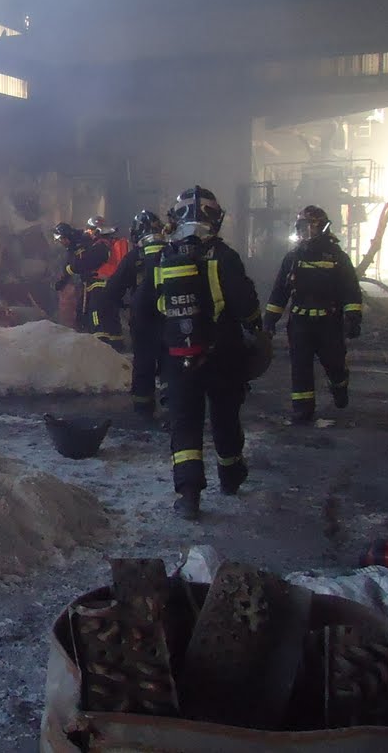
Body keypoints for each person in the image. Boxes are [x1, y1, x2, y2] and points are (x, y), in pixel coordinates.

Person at [137, 186, 264, 520]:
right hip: (223, 353)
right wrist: (256, 327)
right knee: (224, 417)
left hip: (177, 355)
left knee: (185, 423)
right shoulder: (225, 257)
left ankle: (189, 495)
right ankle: (230, 475)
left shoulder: (163, 257)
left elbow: (143, 308)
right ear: (216, 218)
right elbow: (245, 305)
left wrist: (154, 352)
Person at [262, 205, 363, 424]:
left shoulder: (338, 258)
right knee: (300, 366)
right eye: (301, 228)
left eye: (310, 228)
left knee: (333, 362)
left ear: (323, 228)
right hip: (300, 322)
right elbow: (280, 292)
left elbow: (351, 291)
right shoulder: (293, 258)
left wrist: (353, 318)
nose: (304, 233)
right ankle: (303, 409)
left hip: (329, 322)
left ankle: (339, 384)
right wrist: (269, 322)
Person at [111, 210, 169, 416]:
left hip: (143, 319)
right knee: (170, 361)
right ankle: (171, 403)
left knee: (143, 361)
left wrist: (122, 305)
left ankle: (142, 407)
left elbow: (114, 287)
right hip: (170, 317)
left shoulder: (134, 256)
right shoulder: (173, 251)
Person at [56, 217, 127, 350]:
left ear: (96, 231)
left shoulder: (101, 246)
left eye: (90, 230)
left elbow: (82, 263)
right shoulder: (108, 244)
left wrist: (69, 269)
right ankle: (117, 348)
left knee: (97, 319)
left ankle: (101, 349)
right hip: (109, 288)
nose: (87, 233)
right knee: (111, 320)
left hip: (99, 288)